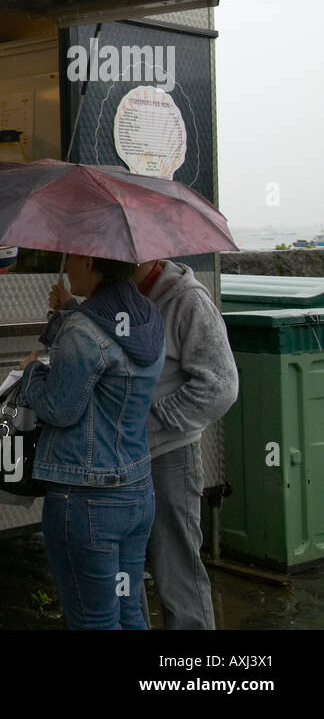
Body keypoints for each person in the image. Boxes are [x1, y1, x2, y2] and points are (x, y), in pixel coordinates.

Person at [51, 259, 238, 629]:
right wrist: (71, 311)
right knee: (124, 578)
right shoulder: (118, 298)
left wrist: (148, 421)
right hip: (118, 462)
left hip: (169, 454)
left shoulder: (187, 300)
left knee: (176, 569)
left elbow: (220, 387)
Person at [18, 253, 164, 629]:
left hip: (86, 499)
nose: (66, 267)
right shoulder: (148, 316)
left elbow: (58, 408)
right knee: (128, 611)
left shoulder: (83, 328)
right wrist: (68, 309)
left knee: (93, 620)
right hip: (136, 491)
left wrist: (31, 374)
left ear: (87, 260)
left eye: (71, 260)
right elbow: (107, 343)